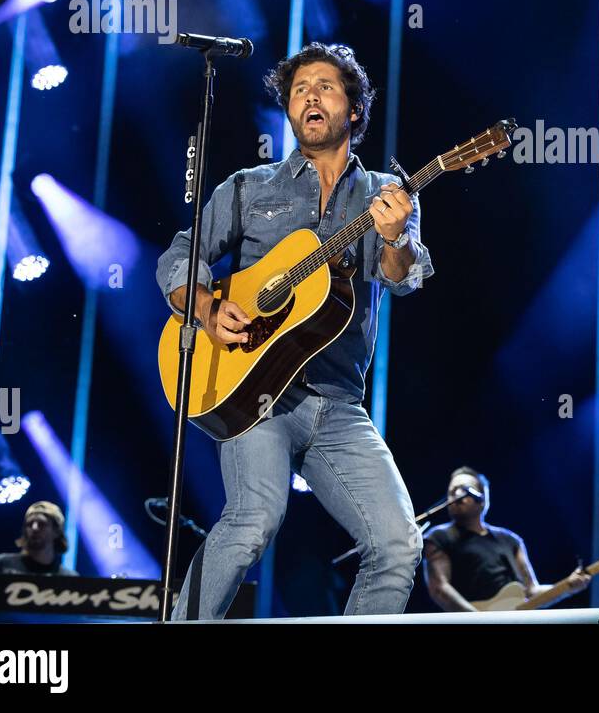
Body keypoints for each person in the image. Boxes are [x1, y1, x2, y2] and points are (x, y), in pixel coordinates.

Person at [156, 42, 433, 618]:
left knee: (399, 543)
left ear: (353, 110)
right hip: (253, 393)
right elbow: (180, 255)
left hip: (338, 404)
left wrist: (395, 238)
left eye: (326, 86)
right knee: (254, 521)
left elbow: (401, 278)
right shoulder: (248, 187)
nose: (310, 95)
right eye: (300, 89)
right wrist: (207, 309)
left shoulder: (388, 193)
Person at [422, 467, 589, 611]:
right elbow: (439, 588)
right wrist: (476, 620)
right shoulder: (438, 537)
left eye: (464, 489)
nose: (456, 494)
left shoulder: (510, 540)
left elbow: (531, 591)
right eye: (452, 490)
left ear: (482, 499)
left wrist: (567, 587)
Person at [0, 500, 78, 576]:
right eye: (29, 524)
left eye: (42, 524)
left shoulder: (68, 577)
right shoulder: (2, 565)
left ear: (56, 531)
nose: (34, 528)